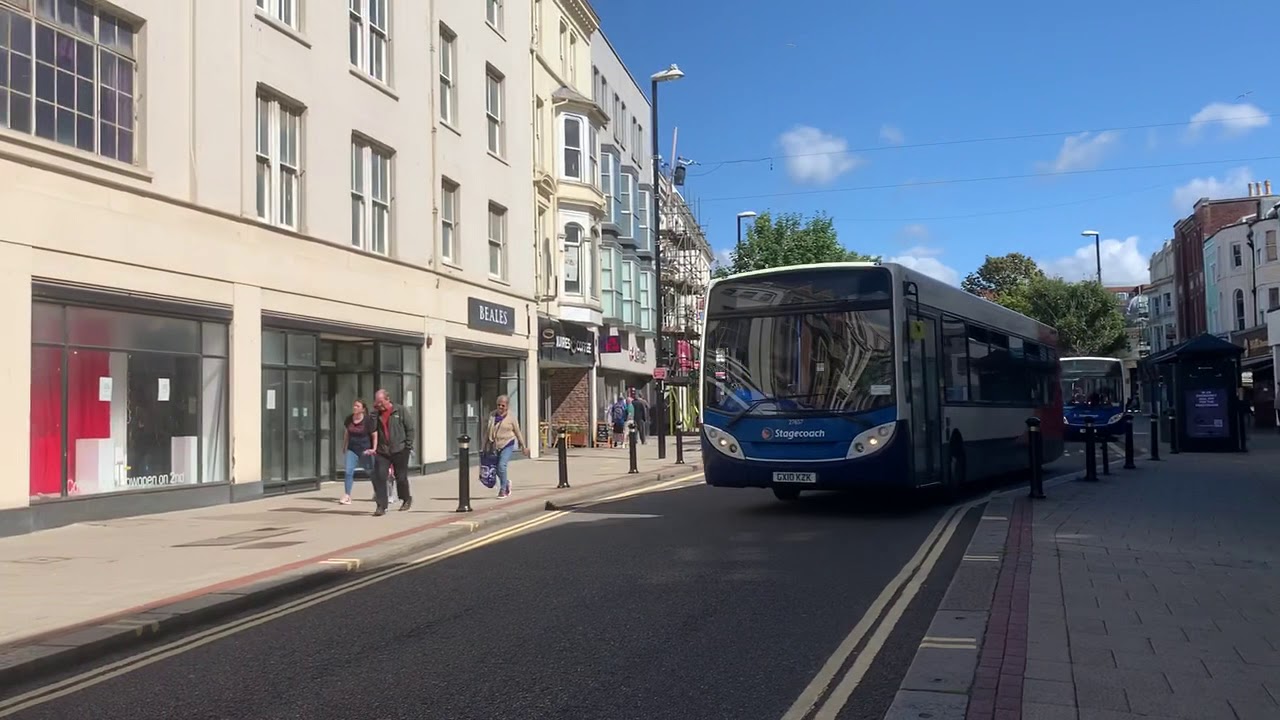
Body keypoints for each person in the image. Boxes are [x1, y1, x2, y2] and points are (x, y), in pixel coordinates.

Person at [371, 388, 414, 516]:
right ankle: (381, 506)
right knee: (380, 477)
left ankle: (406, 498)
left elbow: (410, 429)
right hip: (383, 450)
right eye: (377, 402)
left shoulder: (400, 410)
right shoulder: (376, 414)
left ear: (387, 399)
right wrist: (372, 418)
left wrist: (408, 445)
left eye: (381, 402)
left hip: (400, 449)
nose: (379, 405)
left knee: (401, 477)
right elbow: (372, 431)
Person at [484, 394, 528, 498]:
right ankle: (506, 483)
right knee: (496, 468)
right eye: (499, 405)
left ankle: (503, 490)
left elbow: (517, 432)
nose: (500, 407)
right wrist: (484, 446)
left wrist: (523, 446)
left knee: (501, 466)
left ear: (507, 406)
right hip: (495, 444)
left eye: (503, 405)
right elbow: (487, 432)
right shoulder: (492, 415)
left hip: (507, 443)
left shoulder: (511, 417)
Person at [340, 399, 378, 505]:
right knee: (348, 472)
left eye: (357, 406)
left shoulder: (368, 420)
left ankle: (378, 492)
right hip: (352, 449)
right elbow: (347, 433)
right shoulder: (349, 419)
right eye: (354, 405)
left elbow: (374, 435)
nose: (355, 407)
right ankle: (347, 495)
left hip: (365, 449)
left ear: (362, 409)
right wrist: (344, 446)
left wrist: (374, 449)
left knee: (370, 471)